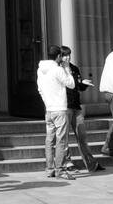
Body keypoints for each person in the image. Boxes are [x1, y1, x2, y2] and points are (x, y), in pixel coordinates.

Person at [60, 46, 101, 173]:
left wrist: (84, 84)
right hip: (64, 106)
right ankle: (67, 163)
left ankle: (91, 164)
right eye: (65, 55)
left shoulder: (74, 68)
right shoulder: (57, 70)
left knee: (82, 135)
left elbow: (78, 86)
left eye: (69, 55)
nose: (67, 57)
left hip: (76, 106)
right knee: (64, 137)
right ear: (60, 56)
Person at [36, 47, 75, 180]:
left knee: (49, 140)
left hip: (49, 109)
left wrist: (47, 102)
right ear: (58, 56)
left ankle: (50, 168)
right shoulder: (58, 69)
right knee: (61, 140)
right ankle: (60, 169)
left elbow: (40, 89)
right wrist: (67, 69)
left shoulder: (41, 69)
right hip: (59, 108)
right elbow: (71, 84)